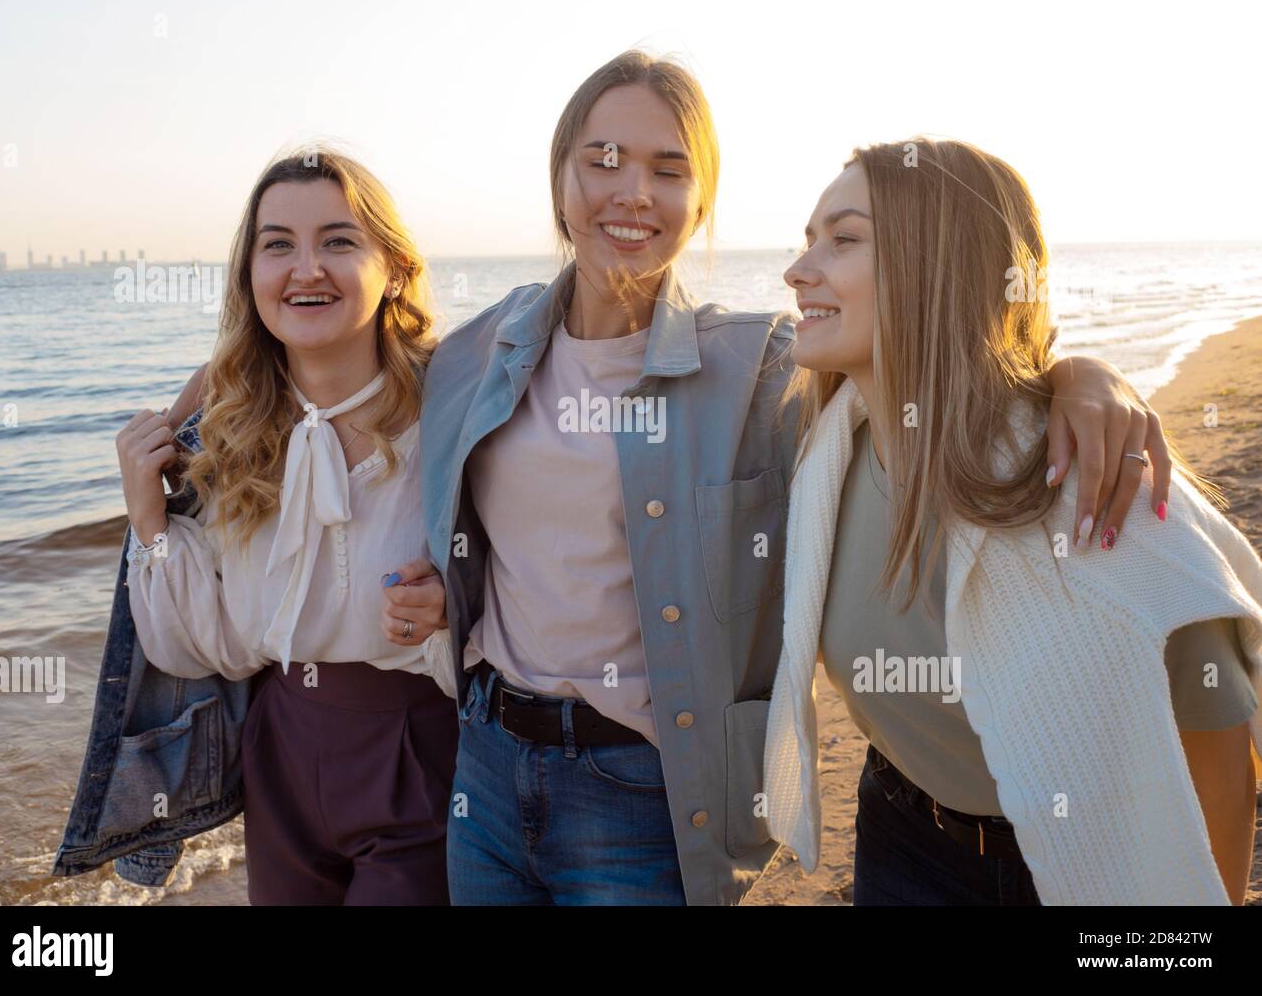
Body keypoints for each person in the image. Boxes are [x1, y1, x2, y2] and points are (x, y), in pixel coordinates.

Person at [415, 52, 1177, 904]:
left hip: (640, 787)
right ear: (559, 176)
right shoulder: (476, 351)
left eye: (669, 170)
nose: (632, 190)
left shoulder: (760, 367)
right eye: (603, 160)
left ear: (699, 204)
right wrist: (432, 584)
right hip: (484, 758)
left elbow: (943, 357)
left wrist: (1082, 374)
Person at [765, 137, 1261, 905]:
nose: (799, 271)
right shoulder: (827, 445)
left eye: (844, 239)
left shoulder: (1092, 481)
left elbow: (1219, 753)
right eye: (807, 242)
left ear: (938, 264)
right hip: (900, 829)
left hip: (1074, 858)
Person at [116, 148, 459, 905]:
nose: (307, 269)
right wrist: (149, 521)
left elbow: (537, 587)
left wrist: (452, 608)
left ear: (394, 267)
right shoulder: (232, 432)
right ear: (251, 277)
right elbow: (206, 649)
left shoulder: (456, 411)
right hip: (277, 748)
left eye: (338, 241)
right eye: (278, 245)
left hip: (418, 753)